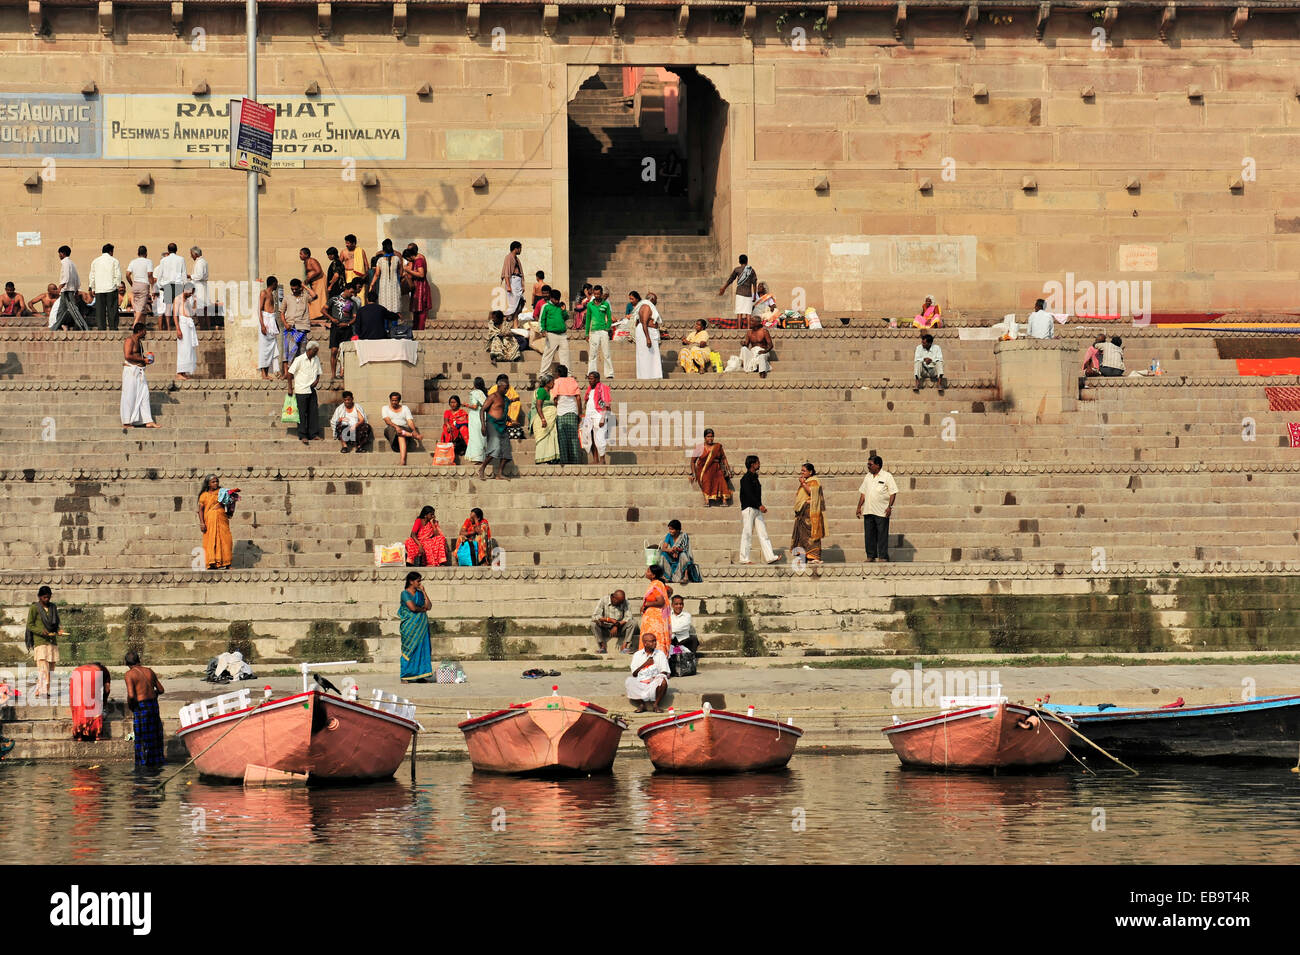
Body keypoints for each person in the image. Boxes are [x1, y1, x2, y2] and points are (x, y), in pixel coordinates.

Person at [123, 650, 166, 768]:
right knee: (155, 735)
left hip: (141, 707)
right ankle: (157, 761)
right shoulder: (149, 671)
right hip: (153, 705)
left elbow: (131, 695)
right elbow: (161, 690)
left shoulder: (129, 674)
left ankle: (142, 764)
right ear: (139, 660)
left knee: (142, 737)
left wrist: (131, 706)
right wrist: (153, 694)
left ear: (126, 663)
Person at [739, 454, 780, 564]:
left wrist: (759, 506)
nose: (759, 464)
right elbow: (748, 494)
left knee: (763, 533)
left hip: (756, 508)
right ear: (752, 464)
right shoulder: (745, 478)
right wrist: (759, 505)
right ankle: (744, 558)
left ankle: (770, 556)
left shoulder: (755, 477)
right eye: (757, 462)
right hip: (748, 508)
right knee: (747, 533)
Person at [856, 455, 898, 563]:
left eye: (870, 464)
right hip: (868, 510)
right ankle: (871, 556)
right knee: (869, 535)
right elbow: (863, 493)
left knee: (882, 535)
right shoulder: (868, 477)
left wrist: (890, 507)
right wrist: (859, 507)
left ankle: (883, 556)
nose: (868, 466)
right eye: (868, 464)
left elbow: (893, 492)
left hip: (881, 511)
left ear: (878, 465)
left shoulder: (887, 476)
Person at [25, 585, 65, 699]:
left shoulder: (53, 607)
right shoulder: (34, 608)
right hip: (40, 641)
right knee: (43, 668)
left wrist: (59, 631)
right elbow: (30, 625)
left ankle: (41, 689)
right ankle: (43, 691)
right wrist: (40, 631)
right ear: (39, 597)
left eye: (48, 597)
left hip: (52, 641)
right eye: (44, 597)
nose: (46, 600)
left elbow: (55, 624)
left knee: (51, 669)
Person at [397, 572, 434, 682]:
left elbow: (429, 606)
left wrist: (424, 591)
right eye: (418, 581)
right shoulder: (404, 594)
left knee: (422, 649)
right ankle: (405, 675)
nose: (419, 583)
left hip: (421, 627)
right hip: (410, 627)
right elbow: (412, 608)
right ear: (411, 582)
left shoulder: (420, 593)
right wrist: (423, 609)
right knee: (409, 650)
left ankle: (420, 675)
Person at [121, 323, 158, 430]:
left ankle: (147, 421)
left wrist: (147, 359)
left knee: (144, 395)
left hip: (140, 372)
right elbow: (127, 356)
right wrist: (143, 360)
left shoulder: (139, 341)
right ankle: (126, 422)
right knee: (129, 396)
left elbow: (137, 355)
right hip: (131, 371)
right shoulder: (129, 340)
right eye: (145, 330)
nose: (146, 333)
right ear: (140, 331)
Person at [285, 341, 323, 443]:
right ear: (310, 350)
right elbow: (289, 374)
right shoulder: (299, 359)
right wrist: (290, 388)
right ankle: (303, 435)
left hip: (312, 389)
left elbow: (319, 372)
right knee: (302, 414)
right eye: (315, 350)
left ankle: (313, 434)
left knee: (313, 412)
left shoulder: (316, 359)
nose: (316, 352)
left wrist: (317, 380)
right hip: (301, 390)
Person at [478, 373, 513, 480]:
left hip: (502, 426)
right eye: (504, 388)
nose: (506, 390)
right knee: (495, 448)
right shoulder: (493, 396)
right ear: (499, 387)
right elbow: (482, 410)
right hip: (492, 424)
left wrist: (511, 420)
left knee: (506, 452)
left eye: (507, 388)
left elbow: (503, 412)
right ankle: (482, 468)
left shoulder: (506, 399)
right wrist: (483, 425)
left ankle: (499, 474)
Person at [625, 633, 670, 713]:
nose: (655, 643)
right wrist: (645, 664)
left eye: (655, 641)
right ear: (645, 643)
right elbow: (634, 674)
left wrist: (654, 678)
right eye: (652, 641)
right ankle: (642, 705)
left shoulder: (660, 654)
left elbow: (665, 671)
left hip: (655, 681)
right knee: (629, 682)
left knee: (663, 681)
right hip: (642, 681)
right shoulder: (637, 655)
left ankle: (656, 705)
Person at [197, 473, 233, 569]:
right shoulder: (204, 495)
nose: (216, 483)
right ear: (208, 484)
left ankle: (227, 563)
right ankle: (212, 563)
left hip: (222, 519)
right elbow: (200, 510)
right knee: (211, 540)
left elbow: (230, 503)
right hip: (209, 521)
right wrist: (201, 523)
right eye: (213, 482)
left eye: (217, 481)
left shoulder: (222, 492)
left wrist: (231, 507)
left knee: (226, 540)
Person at [792, 462, 826, 563]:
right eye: (801, 470)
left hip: (811, 513)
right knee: (802, 536)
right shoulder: (807, 481)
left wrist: (803, 483)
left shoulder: (814, 481)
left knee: (812, 535)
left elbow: (812, 492)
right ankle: (804, 556)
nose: (802, 472)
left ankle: (814, 557)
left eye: (804, 471)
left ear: (810, 472)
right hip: (802, 513)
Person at [690, 428, 733, 505]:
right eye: (708, 436)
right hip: (704, 470)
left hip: (716, 469)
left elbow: (724, 458)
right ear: (704, 437)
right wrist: (693, 474)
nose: (710, 438)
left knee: (721, 479)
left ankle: (724, 500)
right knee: (706, 478)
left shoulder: (718, 447)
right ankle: (707, 500)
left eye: (712, 436)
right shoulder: (699, 447)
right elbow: (693, 461)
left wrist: (728, 470)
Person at [88, 242, 124, 331]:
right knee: (112, 310)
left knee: (100, 311)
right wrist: (118, 285)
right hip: (111, 288)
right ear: (111, 251)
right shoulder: (114, 261)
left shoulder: (95, 261)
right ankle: (113, 328)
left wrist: (92, 287)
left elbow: (92, 275)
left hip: (99, 289)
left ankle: (101, 329)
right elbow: (118, 274)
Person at [551, 364, 583, 464]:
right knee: (573, 437)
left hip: (560, 413)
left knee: (562, 438)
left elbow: (555, 399)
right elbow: (578, 398)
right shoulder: (573, 381)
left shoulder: (556, 382)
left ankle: (564, 460)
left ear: (559, 373)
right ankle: (575, 460)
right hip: (573, 412)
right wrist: (580, 413)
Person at [328, 283, 360, 381]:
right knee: (334, 351)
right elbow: (323, 310)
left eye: (353, 293)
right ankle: (333, 374)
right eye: (351, 292)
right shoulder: (334, 299)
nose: (352, 294)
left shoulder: (352, 303)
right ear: (346, 289)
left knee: (345, 352)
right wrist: (331, 319)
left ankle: (343, 372)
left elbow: (355, 317)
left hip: (347, 329)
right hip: (335, 328)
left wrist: (347, 324)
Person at [638, 564, 672, 654]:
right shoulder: (655, 584)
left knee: (653, 640)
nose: (646, 572)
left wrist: (647, 604)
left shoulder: (656, 584)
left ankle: (656, 662)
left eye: (648, 571)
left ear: (653, 575)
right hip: (651, 619)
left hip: (655, 620)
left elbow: (661, 602)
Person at [282, 277, 317, 363]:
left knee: (302, 351)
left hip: (302, 327)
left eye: (296, 289)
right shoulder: (287, 298)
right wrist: (285, 324)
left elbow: (314, 296)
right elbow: (282, 312)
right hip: (290, 327)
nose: (294, 291)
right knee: (290, 350)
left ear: (300, 287)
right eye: (292, 289)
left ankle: (300, 372)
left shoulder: (305, 296)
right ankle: (289, 371)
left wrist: (304, 286)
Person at [581, 370, 613, 464]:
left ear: (597, 379)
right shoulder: (590, 389)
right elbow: (587, 401)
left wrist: (603, 418)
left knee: (600, 437)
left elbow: (604, 404)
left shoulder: (602, 389)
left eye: (592, 379)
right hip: (589, 416)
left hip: (599, 415)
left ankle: (602, 459)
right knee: (589, 436)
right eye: (589, 379)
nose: (590, 381)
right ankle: (595, 459)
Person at [381, 390, 421, 464]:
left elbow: (409, 421)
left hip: (403, 429)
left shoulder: (405, 408)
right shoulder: (385, 408)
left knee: (400, 435)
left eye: (396, 400)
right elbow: (387, 421)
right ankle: (412, 435)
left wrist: (414, 430)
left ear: (399, 400)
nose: (394, 402)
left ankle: (402, 460)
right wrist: (396, 427)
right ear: (390, 400)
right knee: (397, 431)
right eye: (392, 400)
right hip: (391, 429)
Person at [537, 286, 570, 377]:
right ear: (551, 298)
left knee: (565, 356)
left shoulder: (560, 306)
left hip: (562, 334)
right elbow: (541, 319)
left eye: (558, 299)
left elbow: (566, 317)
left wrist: (563, 311)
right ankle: (543, 374)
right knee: (548, 355)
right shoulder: (546, 306)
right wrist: (542, 330)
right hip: (551, 334)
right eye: (555, 299)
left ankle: (567, 375)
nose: (557, 301)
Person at [530, 371, 561, 465]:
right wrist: (543, 419)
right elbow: (539, 405)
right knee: (543, 438)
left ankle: (551, 457)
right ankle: (541, 458)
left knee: (552, 437)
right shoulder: (542, 391)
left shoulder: (550, 392)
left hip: (551, 417)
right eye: (552, 382)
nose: (554, 384)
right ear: (547, 383)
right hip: (543, 418)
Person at [584, 284, 614, 380]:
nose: (597, 296)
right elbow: (588, 320)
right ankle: (591, 373)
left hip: (603, 331)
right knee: (593, 354)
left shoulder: (605, 304)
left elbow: (609, 318)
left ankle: (609, 374)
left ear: (601, 294)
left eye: (598, 294)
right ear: (593, 294)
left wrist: (607, 328)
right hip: (593, 331)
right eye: (595, 294)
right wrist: (586, 334)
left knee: (606, 353)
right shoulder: (590, 305)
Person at [590, 590, 635, 654]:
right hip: (605, 628)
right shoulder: (603, 600)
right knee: (593, 624)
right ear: (613, 597)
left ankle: (624, 647)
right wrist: (609, 620)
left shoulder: (625, 601)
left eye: (621, 602)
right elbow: (595, 616)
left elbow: (628, 617)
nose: (620, 604)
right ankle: (602, 647)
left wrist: (616, 625)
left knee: (633, 623)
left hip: (619, 628)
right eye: (618, 602)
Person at [155, 243, 188, 330]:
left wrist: (160, 285)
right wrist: (186, 286)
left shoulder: (163, 260)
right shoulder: (181, 259)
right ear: (176, 250)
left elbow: (160, 275)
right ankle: (179, 327)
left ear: (168, 250)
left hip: (167, 285)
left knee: (168, 307)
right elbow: (184, 274)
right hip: (178, 285)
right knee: (179, 307)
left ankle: (169, 327)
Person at [718, 253, 758, 324]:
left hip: (739, 294)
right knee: (748, 313)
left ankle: (739, 329)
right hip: (748, 294)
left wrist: (724, 288)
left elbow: (730, 280)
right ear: (747, 261)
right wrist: (754, 294)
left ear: (739, 261)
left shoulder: (737, 269)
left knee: (739, 313)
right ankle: (748, 329)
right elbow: (754, 283)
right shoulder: (751, 270)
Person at [56, 245, 86, 330]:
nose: (59, 256)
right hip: (67, 289)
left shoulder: (65, 262)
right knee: (61, 310)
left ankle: (84, 328)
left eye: (59, 254)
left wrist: (61, 286)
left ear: (63, 253)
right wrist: (76, 288)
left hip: (67, 290)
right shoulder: (72, 263)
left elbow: (66, 276)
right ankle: (56, 327)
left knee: (74, 310)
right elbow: (76, 277)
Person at [634, 291, 663, 380]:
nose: (656, 302)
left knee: (651, 355)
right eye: (656, 300)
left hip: (648, 332)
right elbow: (644, 323)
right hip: (646, 332)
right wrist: (648, 338)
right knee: (645, 355)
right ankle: (646, 376)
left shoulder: (645, 306)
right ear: (652, 299)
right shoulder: (646, 307)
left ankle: (652, 375)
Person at [370, 238, 403, 314]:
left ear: (383, 248)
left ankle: (385, 325)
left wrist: (372, 284)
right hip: (394, 284)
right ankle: (394, 324)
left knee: (384, 305)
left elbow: (377, 274)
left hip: (383, 285)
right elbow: (401, 272)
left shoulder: (380, 260)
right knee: (395, 305)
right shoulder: (397, 258)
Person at [257, 276, 282, 379]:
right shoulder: (264, 293)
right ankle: (264, 374)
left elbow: (273, 311)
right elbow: (259, 309)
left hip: (271, 321)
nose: (277, 285)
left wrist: (276, 324)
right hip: (265, 321)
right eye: (276, 283)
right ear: (273, 283)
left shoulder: (272, 295)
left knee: (272, 348)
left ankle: (269, 373)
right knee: (264, 349)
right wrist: (262, 325)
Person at [402, 243, 431, 329]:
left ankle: (420, 328)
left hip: (421, 286)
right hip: (418, 285)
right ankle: (417, 328)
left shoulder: (418, 260)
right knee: (417, 309)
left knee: (420, 309)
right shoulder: (420, 257)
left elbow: (421, 274)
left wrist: (407, 270)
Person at [173, 283, 198, 380]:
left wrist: (195, 303)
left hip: (189, 325)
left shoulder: (187, 301)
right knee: (183, 349)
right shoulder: (177, 299)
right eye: (190, 293)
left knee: (188, 350)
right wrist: (178, 329)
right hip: (182, 325)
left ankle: (184, 372)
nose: (190, 295)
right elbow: (175, 315)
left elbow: (192, 313)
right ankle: (179, 372)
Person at [657, 519, 695, 584]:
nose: (670, 531)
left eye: (672, 529)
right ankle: (666, 577)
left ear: (677, 530)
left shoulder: (683, 536)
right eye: (669, 529)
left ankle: (685, 577)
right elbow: (663, 548)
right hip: (672, 557)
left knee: (684, 555)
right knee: (662, 554)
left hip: (680, 557)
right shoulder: (669, 536)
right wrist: (670, 550)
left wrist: (677, 550)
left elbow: (685, 548)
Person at [126, 246, 153, 324]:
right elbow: (150, 274)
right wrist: (152, 285)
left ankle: (141, 326)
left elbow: (127, 274)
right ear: (146, 253)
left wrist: (131, 283)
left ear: (138, 253)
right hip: (144, 284)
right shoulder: (148, 261)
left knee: (139, 306)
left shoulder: (133, 262)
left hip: (135, 284)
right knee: (141, 306)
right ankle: (135, 323)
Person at [466, 377, 489, 468]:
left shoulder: (474, 393)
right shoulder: (483, 393)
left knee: (475, 437)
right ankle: (482, 457)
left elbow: (475, 406)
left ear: (475, 384)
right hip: (483, 416)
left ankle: (478, 458)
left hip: (475, 417)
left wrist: (465, 405)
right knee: (481, 437)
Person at [439, 395, 469, 460]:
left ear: (458, 403)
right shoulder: (447, 412)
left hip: (460, 429)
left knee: (464, 429)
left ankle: (469, 449)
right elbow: (446, 421)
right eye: (451, 402)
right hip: (451, 429)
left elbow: (466, 421)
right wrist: (448, 425)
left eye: (454, 402)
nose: (453, 404)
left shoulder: (462, 412)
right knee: (446, 430)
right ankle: (447, 451)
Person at [300, 247, 327, 323]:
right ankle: (315, 315)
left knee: (319, 298)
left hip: (320, 280)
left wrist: (309, 279)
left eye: (301, 254)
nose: (300, 255)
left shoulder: (312, 260)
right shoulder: (305, 262)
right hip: (314, 283)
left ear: (307, 254)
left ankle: (320, 314)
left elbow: (318, 271)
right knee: (313, 298)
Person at [341, 234, 369, 305]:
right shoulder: (343, 252)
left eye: (348, 243)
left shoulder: (361, 251)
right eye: (346, 243)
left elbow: (366, 264)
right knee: (349, 292)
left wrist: (365, 275)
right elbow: (339, 265)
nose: (346, 245)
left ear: (353, 243)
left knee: (360, 293)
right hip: (348, 274)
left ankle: (361, 310)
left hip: (359, 275)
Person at [501, 240, 525, 319]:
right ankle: (503, 320)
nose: (520, 250)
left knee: (519, 305)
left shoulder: (517, 259)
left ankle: (515, 326)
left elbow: (521, 273)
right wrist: (508, 285)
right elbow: (507, 272)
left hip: (517, 282)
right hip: (512, 282)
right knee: (513, 306)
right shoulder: (509, 257)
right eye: (520, 248)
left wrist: (522, 285)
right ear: (516, 249)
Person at [189, 247, 211, 326]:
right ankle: (207, 326)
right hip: (202, 286)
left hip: (200, 287)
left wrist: (190, 276)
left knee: (200, 308)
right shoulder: (203, 261)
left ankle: (203, 327)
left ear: (196, 254)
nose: (191, 256)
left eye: (192, 254)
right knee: (204, 308)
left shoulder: (200, 262)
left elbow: (199, 276)